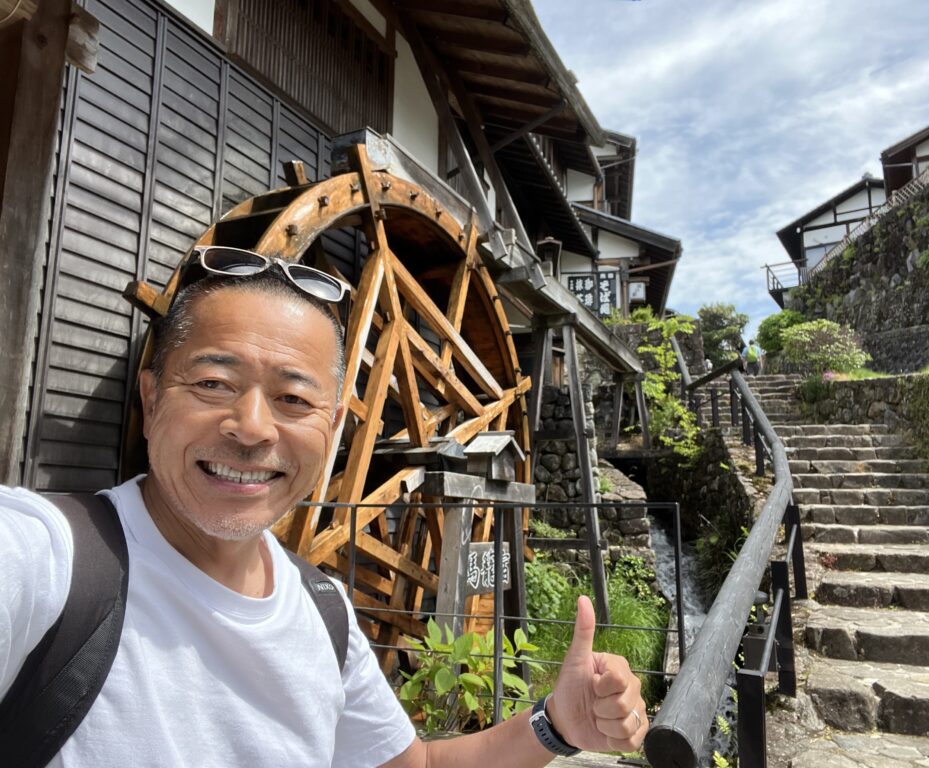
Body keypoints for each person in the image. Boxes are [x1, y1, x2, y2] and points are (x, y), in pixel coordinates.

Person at [0, 247, 648, 767]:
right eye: (214, 383)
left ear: (335, 427)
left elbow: (412, 764)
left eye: (293, 399)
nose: (252, 428)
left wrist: (556, 725)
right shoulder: (43, 560)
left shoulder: (324, 611)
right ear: (150, 399)